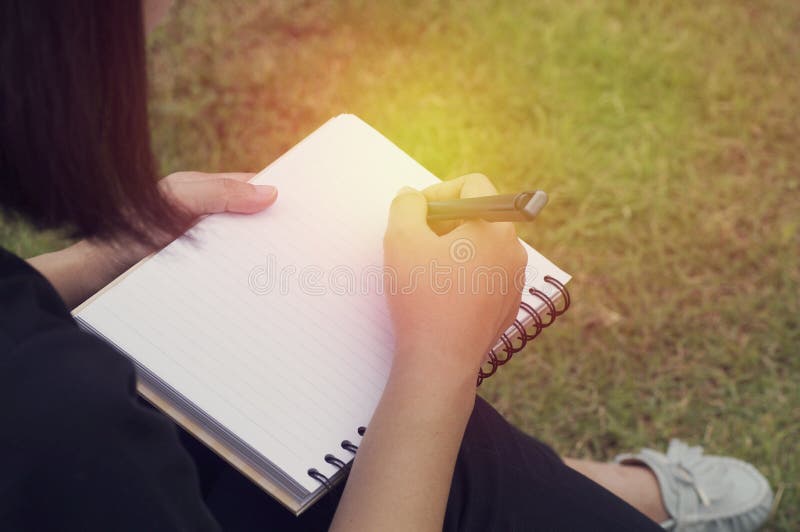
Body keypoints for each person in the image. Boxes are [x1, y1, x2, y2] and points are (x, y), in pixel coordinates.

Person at [0, 1, 773, 530]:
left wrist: (107, 254)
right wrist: (439, 359)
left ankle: (560, 488)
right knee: (417, 415)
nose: (170, 14)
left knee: (428, 442)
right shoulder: (69, 434)